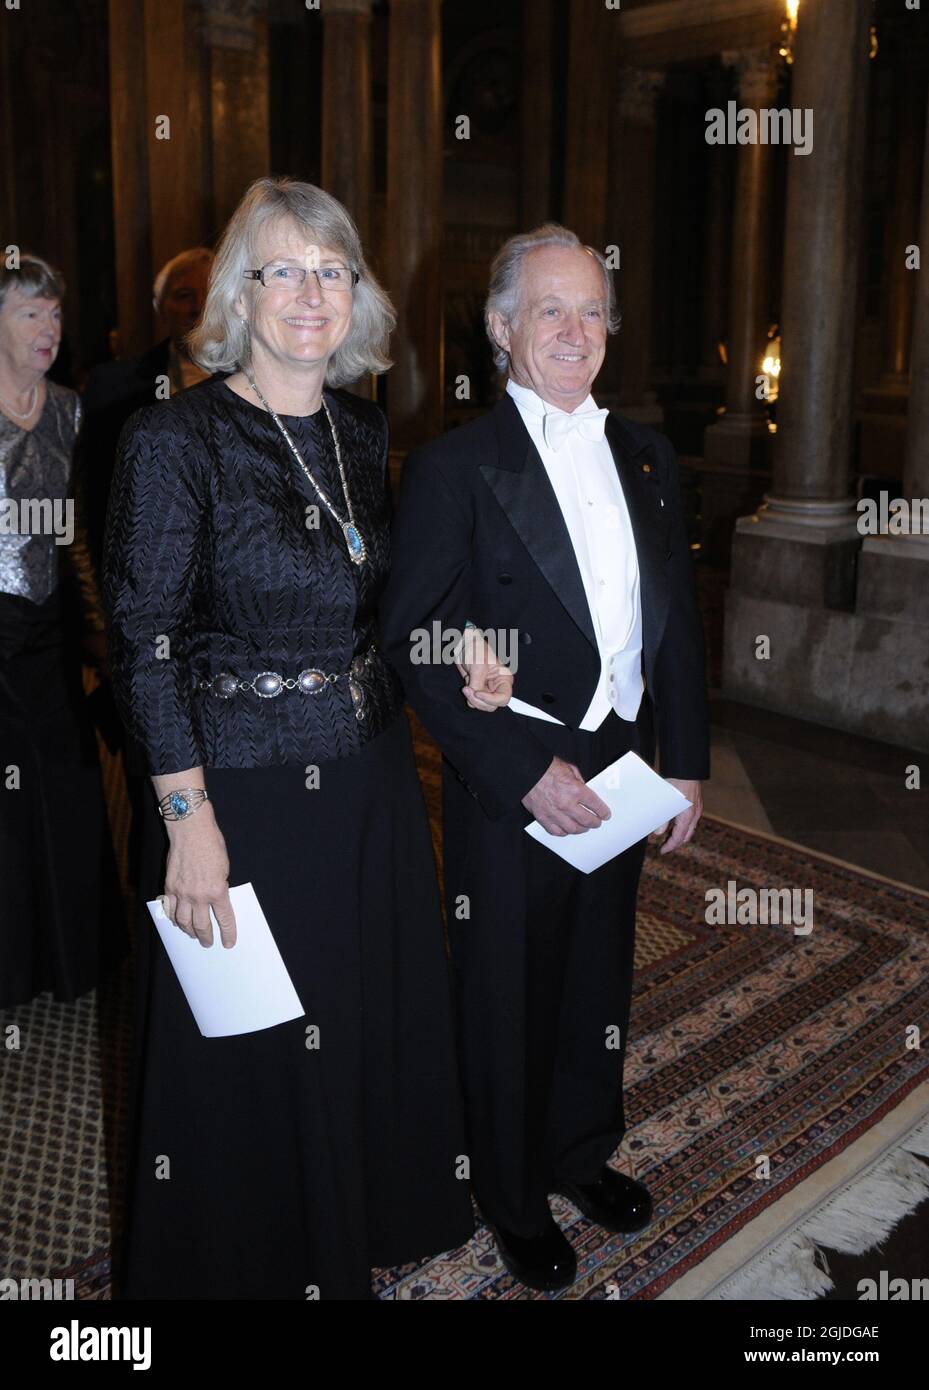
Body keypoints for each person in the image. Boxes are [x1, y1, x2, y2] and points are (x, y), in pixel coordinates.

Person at [103, 177, 503, 1300]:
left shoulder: (359, 425)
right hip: (240, 791)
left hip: (367, 780)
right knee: (254, 1045)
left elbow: (384, 600)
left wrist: (459, 634)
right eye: (284, 268)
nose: (311, 292)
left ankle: (357, 1217)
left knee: (355, 1015)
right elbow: (144, 643)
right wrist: (186, 821)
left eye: (332, 269)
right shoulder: (171, 440)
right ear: (240, 290)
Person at [380, 224, 710, 1292]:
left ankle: (577, 1151)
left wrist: (688, 761)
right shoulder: (452, 468)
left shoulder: (648, 453)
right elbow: (416, 638)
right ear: (500, 327)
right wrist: (521, 769)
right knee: (506, 990)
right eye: (549, 310)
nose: (574, 331)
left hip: (618, 762)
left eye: (591, 311)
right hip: (515, 770)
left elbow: (676, 626)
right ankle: (512, 1193)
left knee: (592, 976)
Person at [0, 254, 123, 1007]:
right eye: (29, 314)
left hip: (46, 636)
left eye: (54, 314)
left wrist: (101, 634)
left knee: (67, 792)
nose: (49, 329)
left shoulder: (74, 411)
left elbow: (80, 537)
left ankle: (72, 959)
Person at [81, 247, 214, 570]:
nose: (198, 308)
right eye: (184, 295)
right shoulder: (113, 389)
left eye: (211, 294)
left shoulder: (267, 386)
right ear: (160, 308)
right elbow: (96, 501)